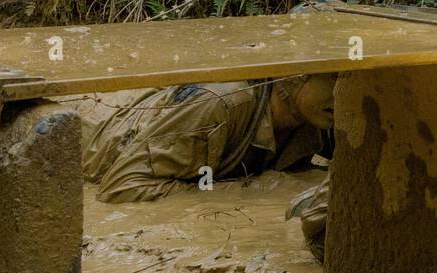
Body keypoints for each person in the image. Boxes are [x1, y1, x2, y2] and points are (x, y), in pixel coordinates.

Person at [82, 74, 336, 203]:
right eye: (336, 77)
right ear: (295, 74)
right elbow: (120, 187)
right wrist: (256, 191)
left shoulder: (325, 112)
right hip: (94, 156)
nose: (344, 91)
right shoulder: (221, 103)